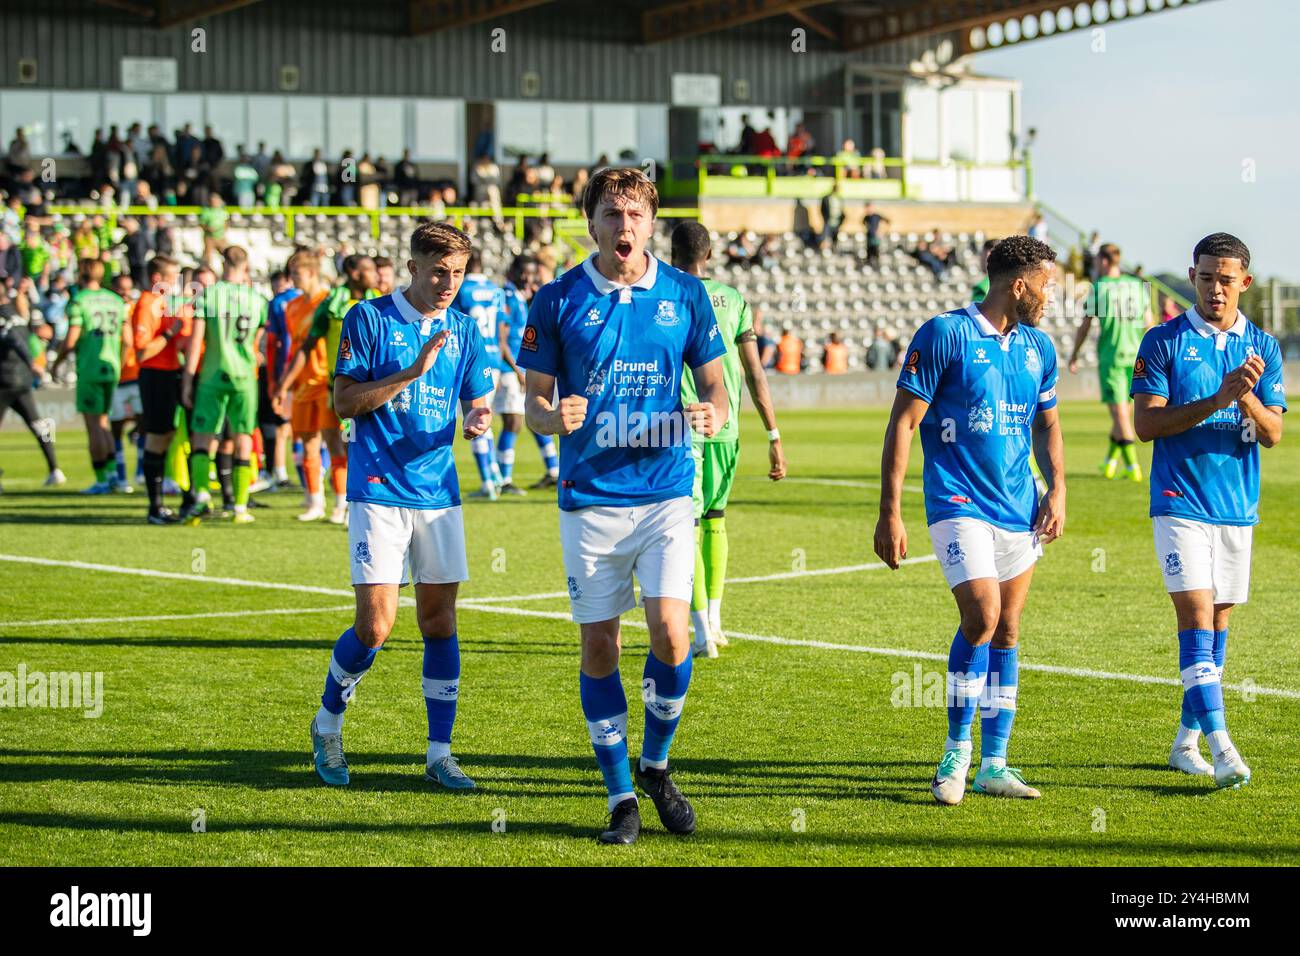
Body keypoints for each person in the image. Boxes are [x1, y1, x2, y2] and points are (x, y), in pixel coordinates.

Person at [517, 167, 728, 845]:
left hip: (666, 492)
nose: (624, 226)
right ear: (592, 223)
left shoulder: (688, 295)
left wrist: (710, 415)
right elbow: (533, 406)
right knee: (600, 645)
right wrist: (556, 417)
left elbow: (718, 391)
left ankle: (657, 763)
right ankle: (620, 799)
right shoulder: (554, 300)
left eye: (635, 214)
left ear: (652, 222)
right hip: (590, 501)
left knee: (671, 634)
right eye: (611, 214)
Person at [873, 235, 1065, 806]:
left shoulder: (1038, 348)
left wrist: (1057, 488)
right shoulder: (944, 334)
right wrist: (890, 512)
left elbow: (1047, 423)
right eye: (1048, 285)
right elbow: (903, 424)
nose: (1052, 296)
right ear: (1019, 285)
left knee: (1007, 629)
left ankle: (995, 763)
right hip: (958, 504)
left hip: (1019, 509)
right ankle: (957, 751)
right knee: (981, 616)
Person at [307, 221, 494, 791]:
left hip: (438, 494)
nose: (448, 284)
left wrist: (478, 418)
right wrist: (410, 372)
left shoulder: (464, 329)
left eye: (458, 274)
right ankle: (328, 723)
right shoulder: (368, 318)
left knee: (440, 622)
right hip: (378, 491)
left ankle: (440, 754)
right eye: (439, 271)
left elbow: (477, 398)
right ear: (412, 267)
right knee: (377, 625)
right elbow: (343, 401)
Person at [1130, 232, 1286, 789]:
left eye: (1226, 279)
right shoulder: (1163, 341)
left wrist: (1243, 395)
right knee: (1195, 620)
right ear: (1191, 276)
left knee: (1218, 626)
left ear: (1244, 282)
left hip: (1236, 508)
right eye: (1205, 278)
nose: (1215, 289)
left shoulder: (1263, 348)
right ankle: (1223, 749)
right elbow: (1145, 426)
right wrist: (1216, 400)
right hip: (1179, 502)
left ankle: (1186, 742)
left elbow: (1273, 433)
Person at [671, 221, 786, 658]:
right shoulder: (733, 299)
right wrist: (773, 434)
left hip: (683, 428)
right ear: (711, 254)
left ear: (670, 252)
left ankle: (700, 634)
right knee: (716, 521)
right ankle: (715, 624)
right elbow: (755, 371)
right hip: (729, 427)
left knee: (689, 529)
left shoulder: (666, 293)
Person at [276, 253, 378, 524]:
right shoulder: (332, 304)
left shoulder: (382, 300)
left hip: (374, 389)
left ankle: (367, 505)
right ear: (355, 273)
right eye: (370, 269)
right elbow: (306, 346)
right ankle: (343, 505)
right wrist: (284, 384)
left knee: (366, 446)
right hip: (340, 389)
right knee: (342, 445)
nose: (376, 274)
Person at [180, 245, 268, 525]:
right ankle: (240, 507)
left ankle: (202, 497)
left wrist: (187, 379)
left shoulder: (210, 295)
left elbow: (196, 342)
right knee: (243, 438)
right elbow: (257, 345)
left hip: (212, 374)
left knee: (203, 436)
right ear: (245, 265)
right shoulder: (257, 300)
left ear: (223, 263)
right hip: (245, 377)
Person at [1067, 243, 1153, 481]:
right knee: (1124, 414)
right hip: (1138, 357)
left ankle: (1133, 467)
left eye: (1095, 262)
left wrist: (1074, 353)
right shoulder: (1138, 286)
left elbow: (1086, 324)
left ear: (1104, 261)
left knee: (1121, 417)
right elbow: (1149, 323)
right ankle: (1109, 462)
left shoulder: (1100, 288)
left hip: (1112, 356)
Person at [51, 258, 129, 494]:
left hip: (90, 368)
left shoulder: (79, 300)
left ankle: (102, 479)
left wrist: (57, 363)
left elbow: (71, 340)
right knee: (104, 423)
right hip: (112, 367)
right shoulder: (116, 300)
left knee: (93, 425)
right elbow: (128, 340)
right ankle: (115, 475)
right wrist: (121, 363)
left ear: (81, 275)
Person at [133, 255, 193, 523]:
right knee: (158, 437)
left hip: (170, 374)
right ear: (157, 279)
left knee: (169, 435)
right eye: (171, 278)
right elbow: (143, 351)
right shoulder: (147, 304)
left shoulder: (164, 304)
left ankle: (178, 500)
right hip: (155, 375)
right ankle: (155, 507)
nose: (175, 283)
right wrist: (171, 334)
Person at [273, 252, 332, 520]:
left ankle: (342, 504)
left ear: (310, 272)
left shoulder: (329, 302)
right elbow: (294, 348)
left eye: (295, 273)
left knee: (335, 444)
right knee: (306, 442)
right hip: (302, 384)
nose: (292, 279)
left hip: (325, 381)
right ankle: (315, 501)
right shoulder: (293, 307)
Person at [494, 253, 557, 493]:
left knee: (535, 418)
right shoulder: (507, 297)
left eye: (532, 273)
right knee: (513, 422)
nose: (529, 278)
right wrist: (516, 370)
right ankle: (504, 479)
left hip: (521, 369)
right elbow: (502, 339)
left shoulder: (520, 297)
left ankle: (553, 470)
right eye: (526, 273)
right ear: (516, 273)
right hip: (510, 370)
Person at [453, 250, 505, 499]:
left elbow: (454, 323)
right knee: (484, 418)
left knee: (474, 419)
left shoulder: (461, 289)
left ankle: (488, 481)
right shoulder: (496, 289)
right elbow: (503, 325)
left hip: (471, 359)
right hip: (494, 359)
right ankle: (495, 474)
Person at [0, 286, 63, 487]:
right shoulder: (18, 316)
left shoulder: (4, 319)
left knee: (37, 424)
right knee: (38, 424)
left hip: (4, 379)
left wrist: (31, 362)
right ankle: (55, 468)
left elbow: (15, 341)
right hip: (23, 381)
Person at [863, 203, 891, 268]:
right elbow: (864, 225)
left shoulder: (876, 216)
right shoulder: (866, 217)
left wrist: (882, 232)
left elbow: (888, 221)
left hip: (876, 237)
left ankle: (877, 267)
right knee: (869, 253)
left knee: (876, 252)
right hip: (869, 237)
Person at [819, 181, 845, 249]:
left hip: (837, 221)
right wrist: (825, 217)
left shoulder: (839, 198)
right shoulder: (826, 198)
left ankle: (833, 249)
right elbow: (822, 209)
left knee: (835, 237)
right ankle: (825, 249)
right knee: (826, 236)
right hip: (828, 220)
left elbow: (841, 210)